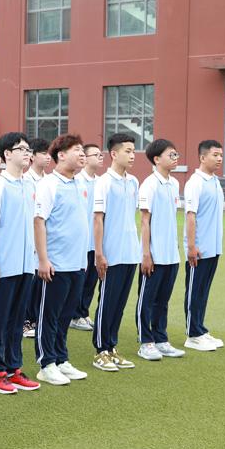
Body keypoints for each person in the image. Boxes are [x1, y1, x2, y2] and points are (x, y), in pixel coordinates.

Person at [0, 133, 41, 395]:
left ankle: (14, 368)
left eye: (29, 149)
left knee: (18, 319)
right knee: (1, 318)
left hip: (26, 264)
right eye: (21, 149)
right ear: (7, 154)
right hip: (5, 264)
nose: (27, 153)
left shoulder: (29, 185)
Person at [33, 134, 89, 386]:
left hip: (77, 263)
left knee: (65, 315)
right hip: (55, 263)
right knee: (49, 315)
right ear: (61, 155)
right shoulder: (48, 184)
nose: (82, 154)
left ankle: (61, 358)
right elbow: (39, 221)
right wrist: (43, 260)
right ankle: (46, 363)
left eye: (83, 150)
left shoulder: (79, 183)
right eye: (77, 150)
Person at [91, 133, 140, 372]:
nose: (132, 155)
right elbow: (98, 219)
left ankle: (112, 347)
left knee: (120, 303)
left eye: (133, 151)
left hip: (130, 252)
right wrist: (99, 253)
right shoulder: (104, 182)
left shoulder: (134, 182)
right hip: (111, 253)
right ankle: (100, 350)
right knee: (107, 301)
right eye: (127, 151)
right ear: (114, 153)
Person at [135, 139, 186, 360]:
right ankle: (145, 342)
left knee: (163, 300)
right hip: (153, 255)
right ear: (156, 159)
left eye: (176, 154)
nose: (175, 158)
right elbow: (144, 221)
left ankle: (161, 339)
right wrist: (146, 254)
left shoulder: (173, 184)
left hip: (171, 255)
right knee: (147, 300)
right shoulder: (149, 185)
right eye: (171, 155)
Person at [183, 140, 225, 352]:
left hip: (213, 248)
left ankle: (200, 329)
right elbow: (190, 216)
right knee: (194, 291)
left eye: (221, 155)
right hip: (199, 250)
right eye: (215, 155)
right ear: (202, 157)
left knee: (203, 291)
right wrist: (192, 246)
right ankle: (192, 335)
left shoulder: (215, 181)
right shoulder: (195, 182)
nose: (219, 159)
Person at [70, 143, 103, 331]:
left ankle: (83, 312)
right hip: (81, 240)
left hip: (95, 240)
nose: (100, 158)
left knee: (91, 279)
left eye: (100, 155)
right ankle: (74, 315)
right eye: (95, 155)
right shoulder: (78, 180)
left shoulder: (100, 182)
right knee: (80, 279)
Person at [22, 137, 50, 339]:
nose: (48, 157)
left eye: (49, 154)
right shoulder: (26, 180)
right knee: (29, 284)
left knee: (41, 283)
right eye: (44, 153)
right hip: (30, 238)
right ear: (32, 156)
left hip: (45, 239)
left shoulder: (48, 180)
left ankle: (36, 319)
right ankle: (26, 321)